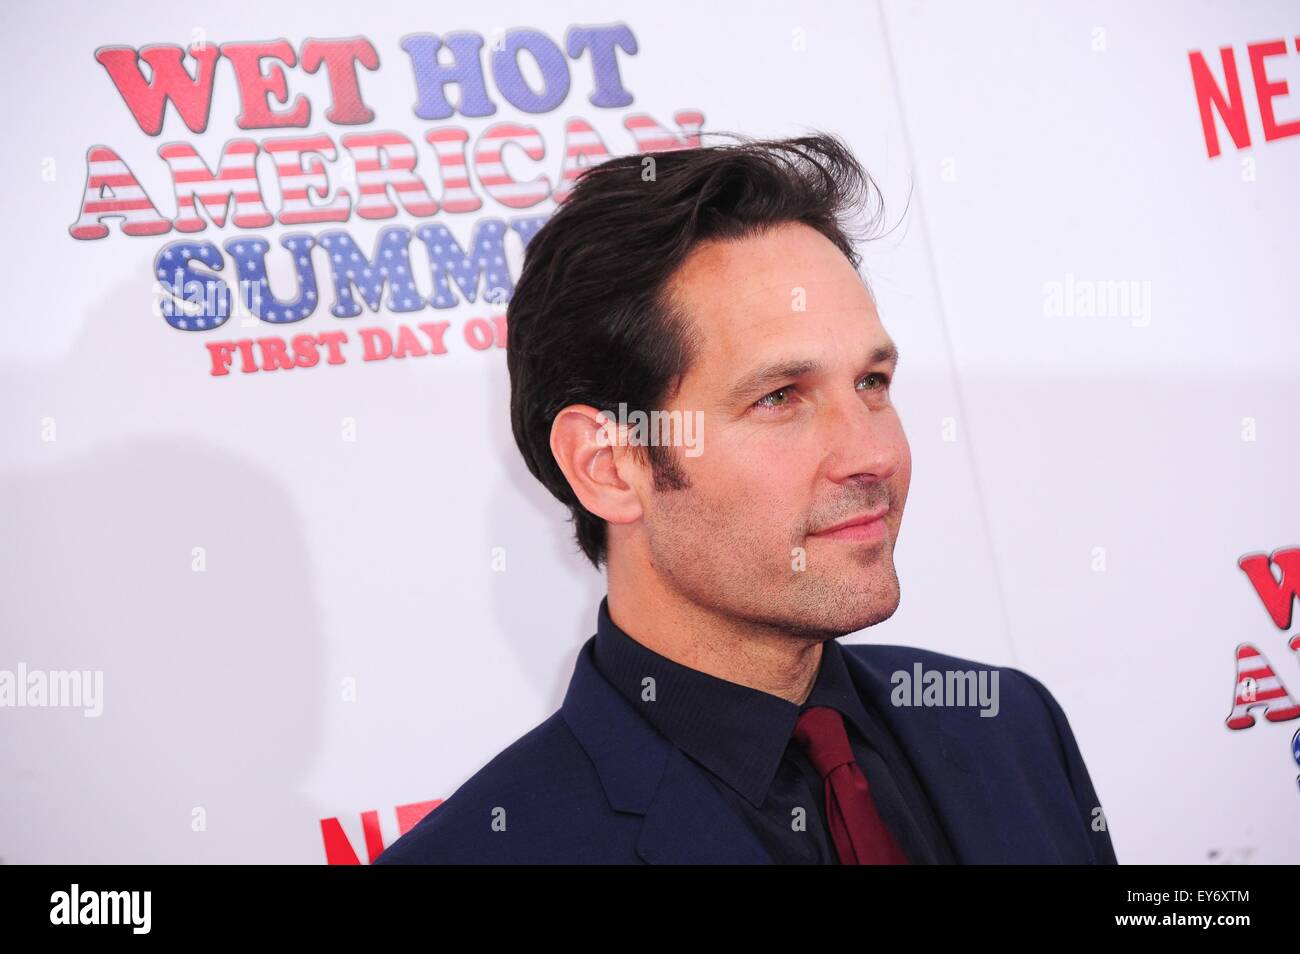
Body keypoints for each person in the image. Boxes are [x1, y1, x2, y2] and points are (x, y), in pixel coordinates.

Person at [376, 132, 1117, 864]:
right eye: (778, 398)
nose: (874, 455)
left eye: (871, 384)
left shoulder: (1010, 727)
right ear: (609, 465)